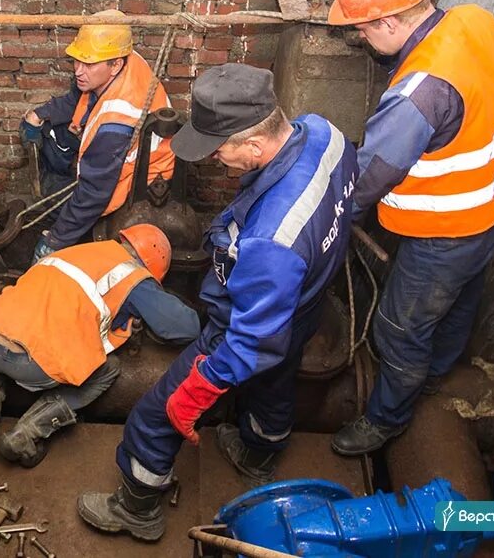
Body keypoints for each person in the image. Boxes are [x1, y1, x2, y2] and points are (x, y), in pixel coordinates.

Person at [77, 64, 358, 541]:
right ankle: (257, 452)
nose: (213, 161)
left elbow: (251, 341)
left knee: (153, 417)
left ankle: (137, 508)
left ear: (253, 145)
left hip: (242, 326)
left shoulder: (272, 241)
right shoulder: (324, 133)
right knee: (275, 379)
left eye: (219, 150)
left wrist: (200, 388)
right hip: (304, 306)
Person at [325, 0, 494, 455]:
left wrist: (330, 218)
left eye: (365, 29)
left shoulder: (418, 92)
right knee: (459, 301)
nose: (361, 38)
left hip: (446, 228)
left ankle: (387, 417)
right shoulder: (471, 22)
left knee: (400, 324)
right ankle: (437, 372)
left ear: (391, 21)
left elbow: (370, 176)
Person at [0, 224, 200, 467]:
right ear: (152, 267)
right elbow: (185, 327)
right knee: (108, 369)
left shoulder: (78, 251)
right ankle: (26, 434)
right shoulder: (133, 276)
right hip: (32, 366)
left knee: (13, 323)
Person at [21, 10, 175, 262]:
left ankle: (67, 229)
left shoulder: (116, 125)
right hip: (117, 158)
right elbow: (78, 97)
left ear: (115, 65)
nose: (79, 71)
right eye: (77, 61)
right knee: (53, 136)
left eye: (89, 64)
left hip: (135, 180)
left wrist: (56, 240)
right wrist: (39, 114)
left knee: (54, 201)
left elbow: (93, 194)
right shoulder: (124, 57)